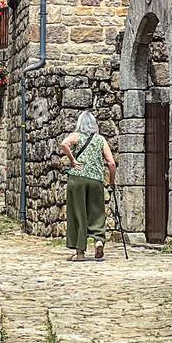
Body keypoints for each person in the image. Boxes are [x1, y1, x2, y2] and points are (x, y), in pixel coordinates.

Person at [60, 111, 117, 261]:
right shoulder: (100, 139)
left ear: (80, 123)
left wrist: (72, 160)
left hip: (77, 179)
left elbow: (64, 144)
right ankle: (98, 240)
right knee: (97, 211)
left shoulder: (76, 136)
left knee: (78, 213)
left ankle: (80, 252)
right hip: (95, 180)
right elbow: (111, 163)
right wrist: (111, 181)